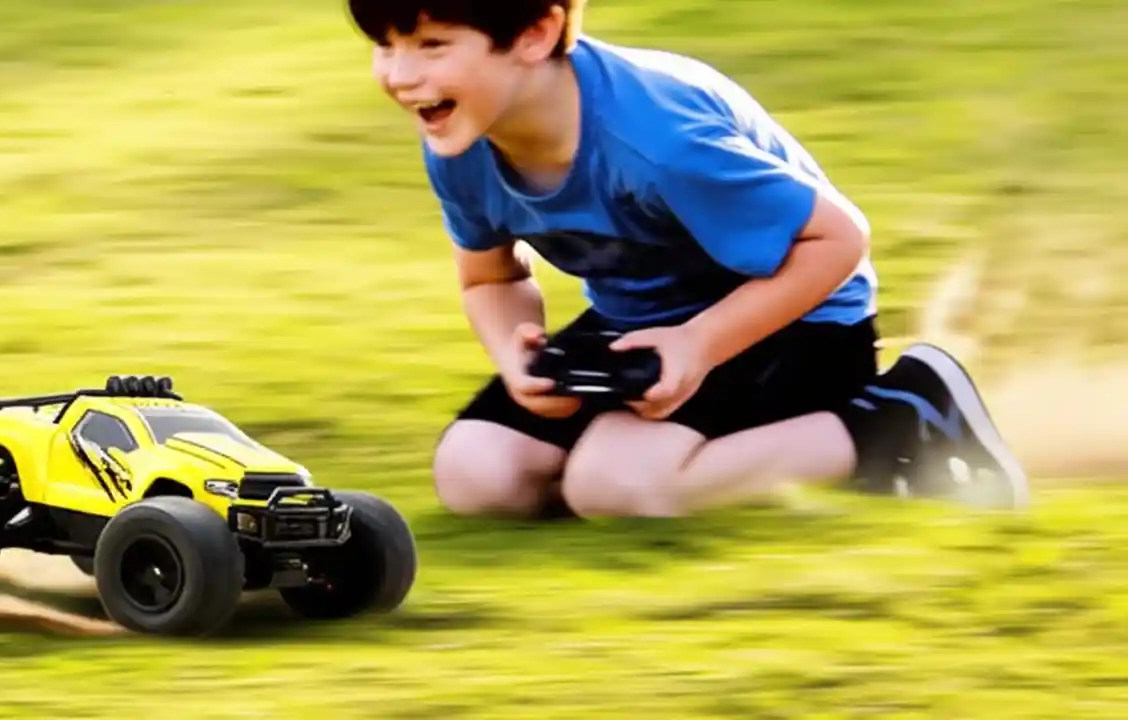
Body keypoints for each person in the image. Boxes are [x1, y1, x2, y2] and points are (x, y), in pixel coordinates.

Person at [346, 0, 1028, 517]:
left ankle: (906, 412)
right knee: (477, 476)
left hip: (797, 321)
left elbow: (839, 240)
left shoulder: (659, 142)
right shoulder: (459, 134)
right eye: (386, 45)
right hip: (642, 323)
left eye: (433, 45)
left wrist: (697, 345)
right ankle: (672, 468)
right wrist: (515, 361)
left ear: (536, 33)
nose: (402, 76)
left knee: (611, 486)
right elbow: (490, 277)